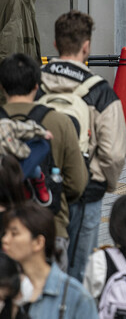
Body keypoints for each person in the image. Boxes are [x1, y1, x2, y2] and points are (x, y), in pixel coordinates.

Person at [39, 11, 126, 282]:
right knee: (78, 272)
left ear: (55, 44)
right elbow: (113, 152)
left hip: (39, 188)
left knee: (40, 268)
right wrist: (103, 182)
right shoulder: (100, 91)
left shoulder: (33, 83)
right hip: (85, 190)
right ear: (87, 46)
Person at [0, 54, 87, 269]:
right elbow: (77, 183)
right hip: (50, 228)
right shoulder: (59, 122)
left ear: (2, 86)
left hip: (3, 231)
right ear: (36, 86)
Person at [1, 202, 97, 318]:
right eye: (5, 233)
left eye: (14, 234)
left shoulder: (76, 297)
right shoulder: (6, 287)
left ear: (38, 242)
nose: (5, 239)